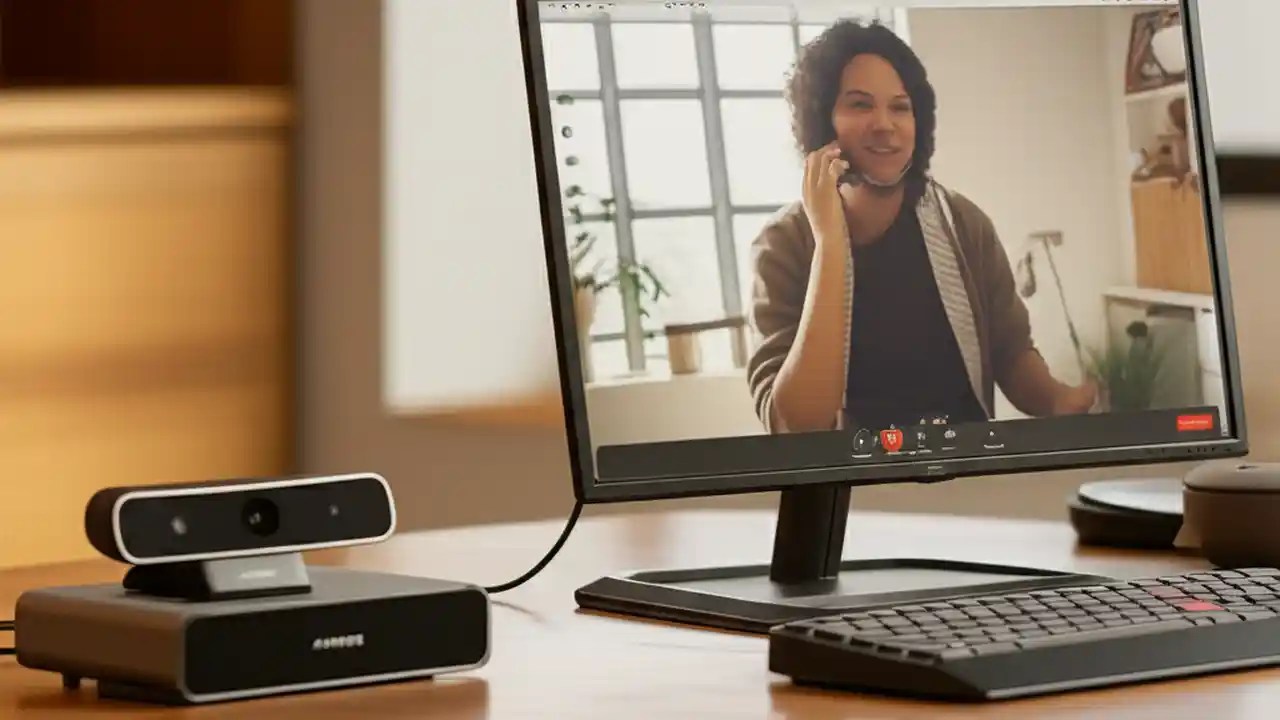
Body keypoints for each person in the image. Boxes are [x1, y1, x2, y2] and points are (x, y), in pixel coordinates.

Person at [746, 20, 1096, 434]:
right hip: (855, 489)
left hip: (968, 473)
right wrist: (829, 241)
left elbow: (1011, 352)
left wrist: (1058, 400)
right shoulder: (783, 244)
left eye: (900, 106)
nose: (884, 124)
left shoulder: (964, 224)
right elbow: (796, 424)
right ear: (822, 121)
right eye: (860, 104)